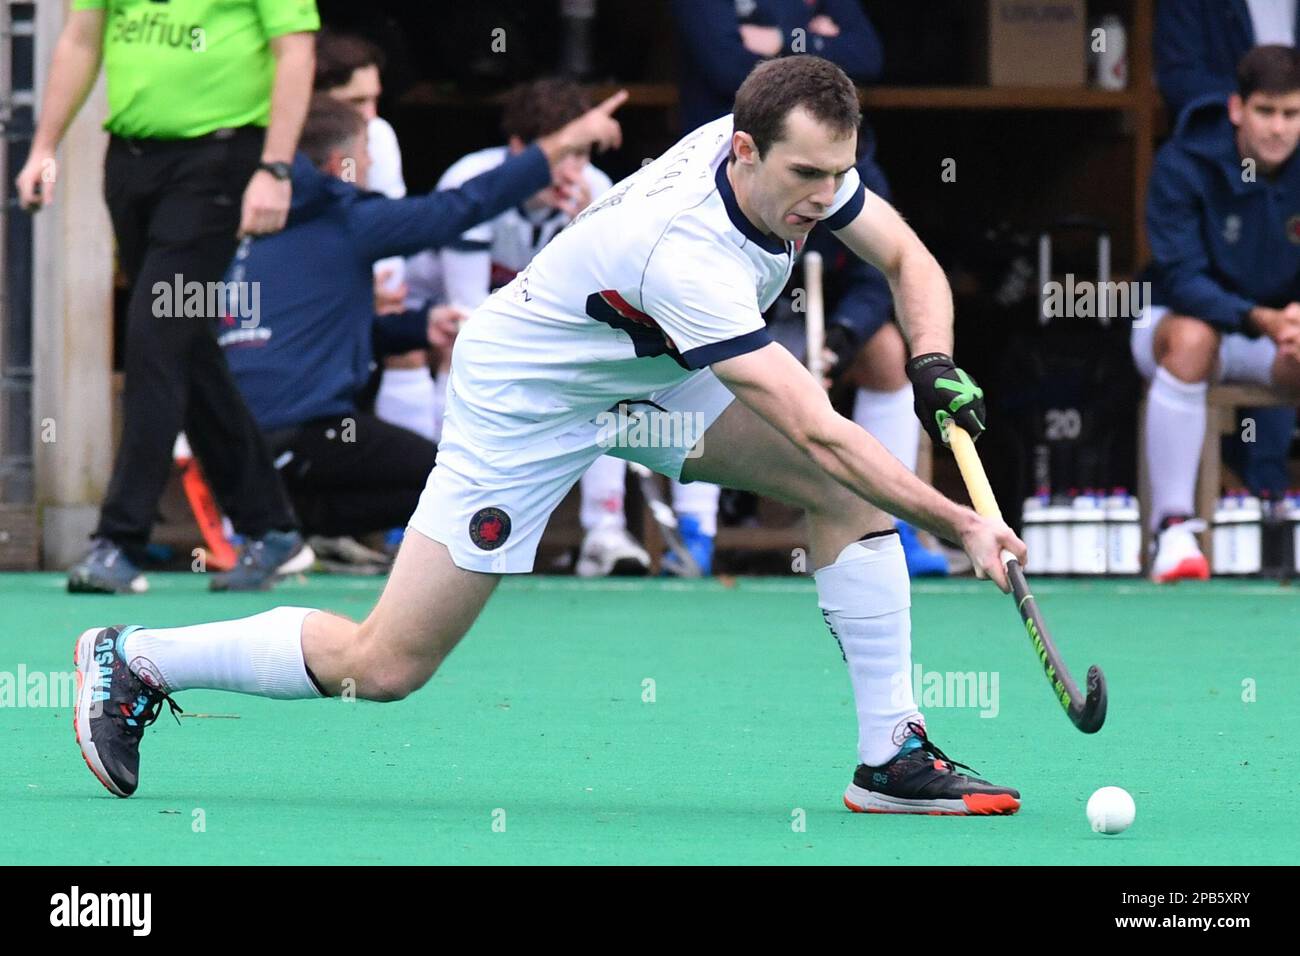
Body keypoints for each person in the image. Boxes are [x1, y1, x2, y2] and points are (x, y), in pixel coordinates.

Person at [73, 56, 1026, 816]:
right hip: (527, 396)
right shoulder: (684, 247)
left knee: (849, 492)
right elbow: (816, 429)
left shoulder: (797, 160)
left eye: (837, 175)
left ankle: (889, 755)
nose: (823, 198)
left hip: (643, 378)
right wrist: (959, 522)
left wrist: (932, 360)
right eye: (805, 177)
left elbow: (905, 254)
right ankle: (138, 657)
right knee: (387, 665)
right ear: (742, 151)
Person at [15, 0, 319, 593]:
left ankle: (119, 540)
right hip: (129, 160)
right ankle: (272, 528)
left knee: (156, 336)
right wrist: (44, 147)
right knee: (186, 344)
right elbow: (81, 39)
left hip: (218, 159)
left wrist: (276, 168)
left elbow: (295, 52)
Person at [1135, 45, 1300, 581]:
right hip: (1174, 324)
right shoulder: (1183, 162)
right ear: (1236, 109)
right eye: (1265, 112)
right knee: (1193, 338)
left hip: (1273, 337)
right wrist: (1263, 318)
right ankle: (1175, 531)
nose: (1278, 128)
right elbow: (1183, 280)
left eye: (1292, 114)